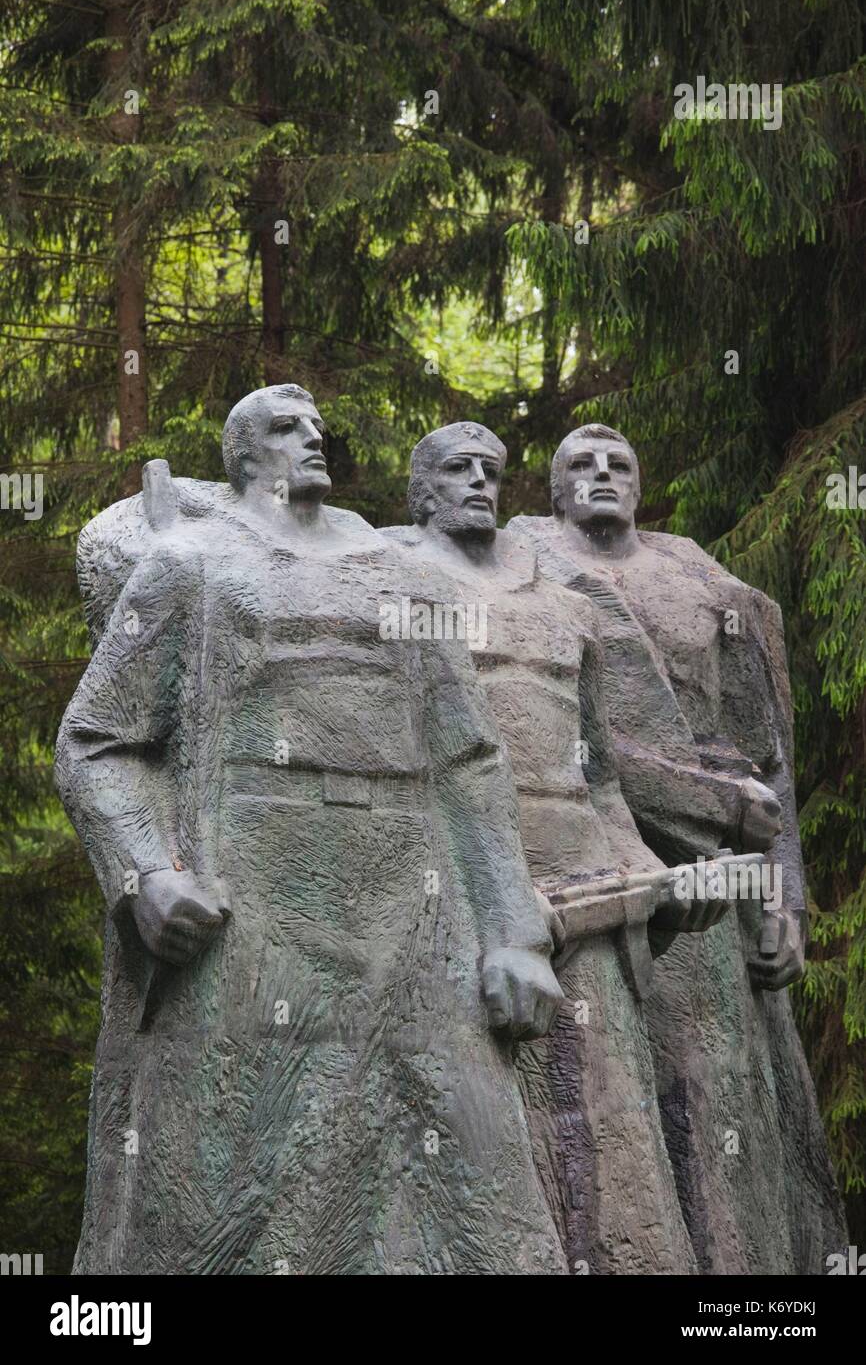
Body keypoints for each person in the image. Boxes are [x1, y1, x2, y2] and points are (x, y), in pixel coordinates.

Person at [56, 385, 569, 1276]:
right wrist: (147, 874)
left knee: (470, 1184)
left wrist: (514, 930)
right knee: (229, 1188)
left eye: (317, 428)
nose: (313, 438)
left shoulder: (407, 578)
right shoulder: (191, 564)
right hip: (250, 905)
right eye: (288, 428)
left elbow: (470, 761)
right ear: (244, 455)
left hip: (414, 910)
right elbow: (96, 742)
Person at [383, 421, 745, 1274]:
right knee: (476, 1127)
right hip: (467, 891)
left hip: (588, 882)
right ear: (418, 491)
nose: (478, 482)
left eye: (491, 470)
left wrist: (655, 878)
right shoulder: (392, 589)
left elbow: (606, 780)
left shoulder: (568, 610)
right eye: (456, 470)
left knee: (608, 1127)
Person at [509, 422, 847, 1273]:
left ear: (640, 484)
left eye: (618, 463)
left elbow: (768, 765)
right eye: (579, 465)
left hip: (719, 886)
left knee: (716, 1101)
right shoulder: (521, 567)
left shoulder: (700, 580)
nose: (600, 474)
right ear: (552, 493)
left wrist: (785, 903)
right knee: (602, 1106)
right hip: (591, 867)